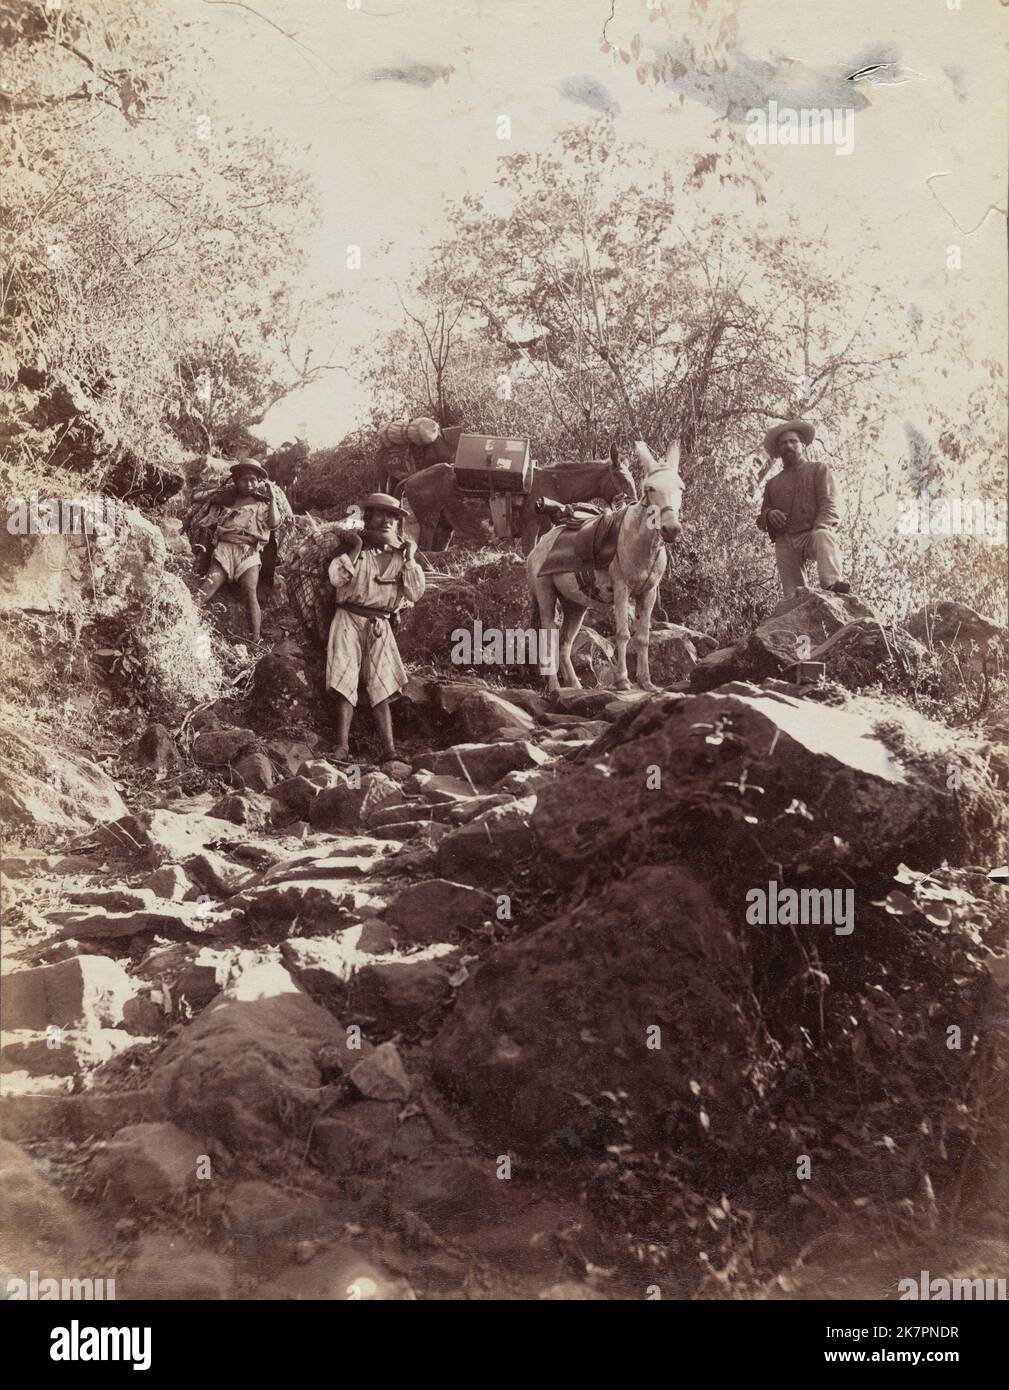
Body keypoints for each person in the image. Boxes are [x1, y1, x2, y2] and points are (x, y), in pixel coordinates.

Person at [325, 493, 426, 762]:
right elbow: (337, 578)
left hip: (380, 624)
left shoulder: (400, 557)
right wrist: (356, 546)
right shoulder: (353, 551)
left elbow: (415, 593)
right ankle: (342, 746)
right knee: (344, 680)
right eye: (380, 514)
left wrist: (411, 558)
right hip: (348, 619)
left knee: (382, 684)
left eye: (392, 517)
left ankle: (390, 750)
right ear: (368, 517)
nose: (386, 521)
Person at [757, 419, 851, 597]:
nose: (788, 445)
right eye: (783, 443)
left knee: (824, 535)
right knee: (793, 596)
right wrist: (768, 515)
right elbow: (761, 519)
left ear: (803, 445)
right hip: (786, 541)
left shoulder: (818, 469)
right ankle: (796, 604)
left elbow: (830, 503)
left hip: (812, 534)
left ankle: (832, 584)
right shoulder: (772, 483)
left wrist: (821, 525)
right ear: (778, 450)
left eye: (793, 441)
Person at [196, 459, 284, 643]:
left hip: (248, 551)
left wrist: (273, 498)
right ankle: (187, 617)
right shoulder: (226, 500)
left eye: (253, 480)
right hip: (225, 548)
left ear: (259, 481)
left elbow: (274, 524)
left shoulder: (263, 503)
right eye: (245, 479)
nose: (249, 484)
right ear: (236, 480)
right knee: (208, 585)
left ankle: (256, 639)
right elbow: (208, 522)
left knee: (250, 591)